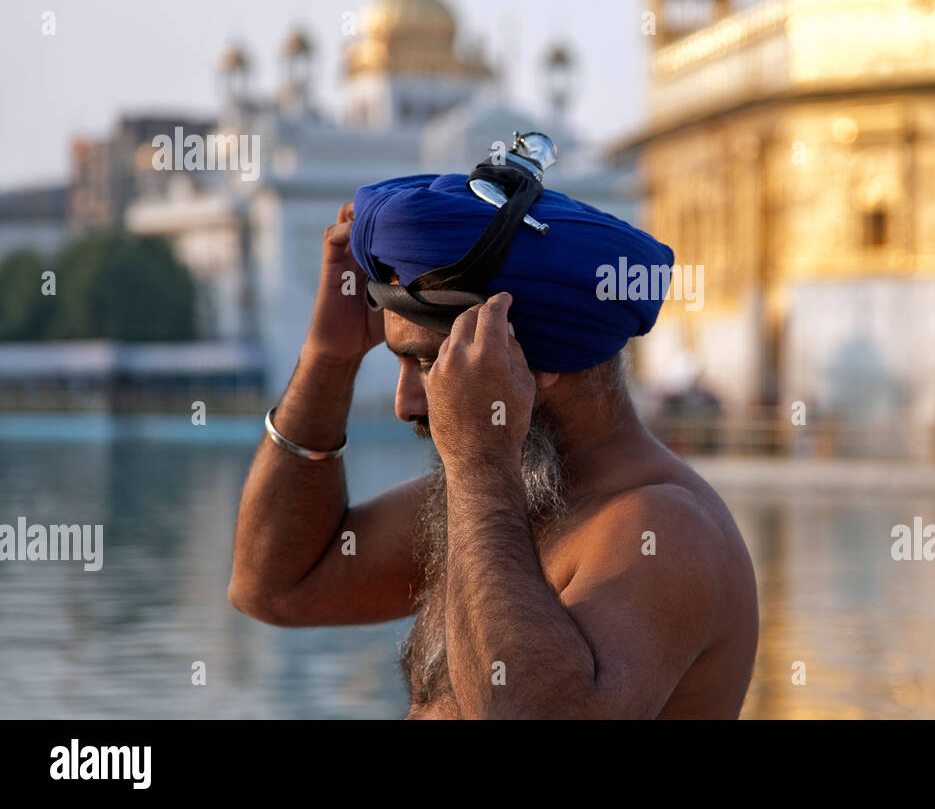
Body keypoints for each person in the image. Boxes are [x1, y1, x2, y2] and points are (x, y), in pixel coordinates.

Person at [228, 151, 759, 719]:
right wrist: (328, 358)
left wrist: (478, 463)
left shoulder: (663, 530)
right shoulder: (516, 498)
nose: (407, 404)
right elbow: (276, 586)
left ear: (532, 355)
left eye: (430, 363)